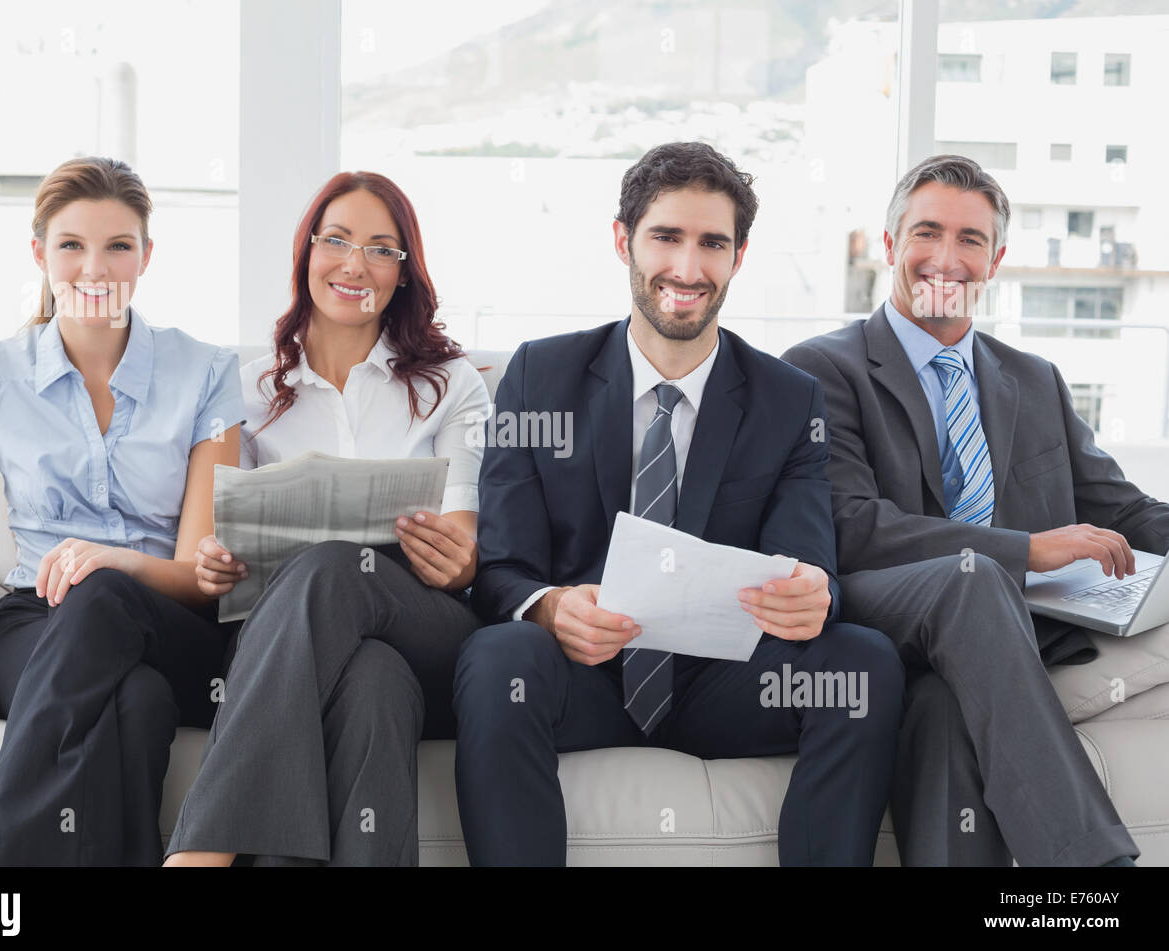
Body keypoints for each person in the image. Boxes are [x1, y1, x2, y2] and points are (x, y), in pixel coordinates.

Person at [452, 142, 905, 866]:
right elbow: (501, 567)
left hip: (722, 685)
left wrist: (813, 591)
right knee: (498, 652)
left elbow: (808, 555)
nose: (688, 270)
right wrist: (550, 607)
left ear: (739, 257)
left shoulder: (789, 400)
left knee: (863, 661)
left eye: (712, 244)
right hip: (582, 677)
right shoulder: (540, 375)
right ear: (622, 239)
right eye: (666, 236)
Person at [782, 154, 1152, 866]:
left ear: (997, 258)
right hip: (883, 611)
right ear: (891, 246)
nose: (946, 259)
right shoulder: (823, 367)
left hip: (1002, 642)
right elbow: (853, 526)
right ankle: (1092, 871)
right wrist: (1025, 548)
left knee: (943, 714)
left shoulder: (1033, 379)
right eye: (926, 233)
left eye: (971, 240)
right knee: (972, 575)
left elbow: (1123, 508)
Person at [0, 156, 245, 866]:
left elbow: (198, 579)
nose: (95, 269)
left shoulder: (207, 373)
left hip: (170, 621)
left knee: (101, 594)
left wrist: (114, 563)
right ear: (40, 254)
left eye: (118, 246)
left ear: (147, 256)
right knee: (138, 703)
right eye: (71, 246)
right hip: (37, 619)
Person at [163, 171, 490, 867]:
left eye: (381, 248)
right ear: (305, 252)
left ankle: (203, 852)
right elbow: (220, 542)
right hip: (294, 638)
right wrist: (218, 563)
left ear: (404, 272)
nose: (355, 264)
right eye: (336, 240)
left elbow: (464, 539)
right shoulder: (247, 389)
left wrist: (457, 556)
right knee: (371, 684)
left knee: (338, 565)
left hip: (425, 618)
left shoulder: (450, 382)